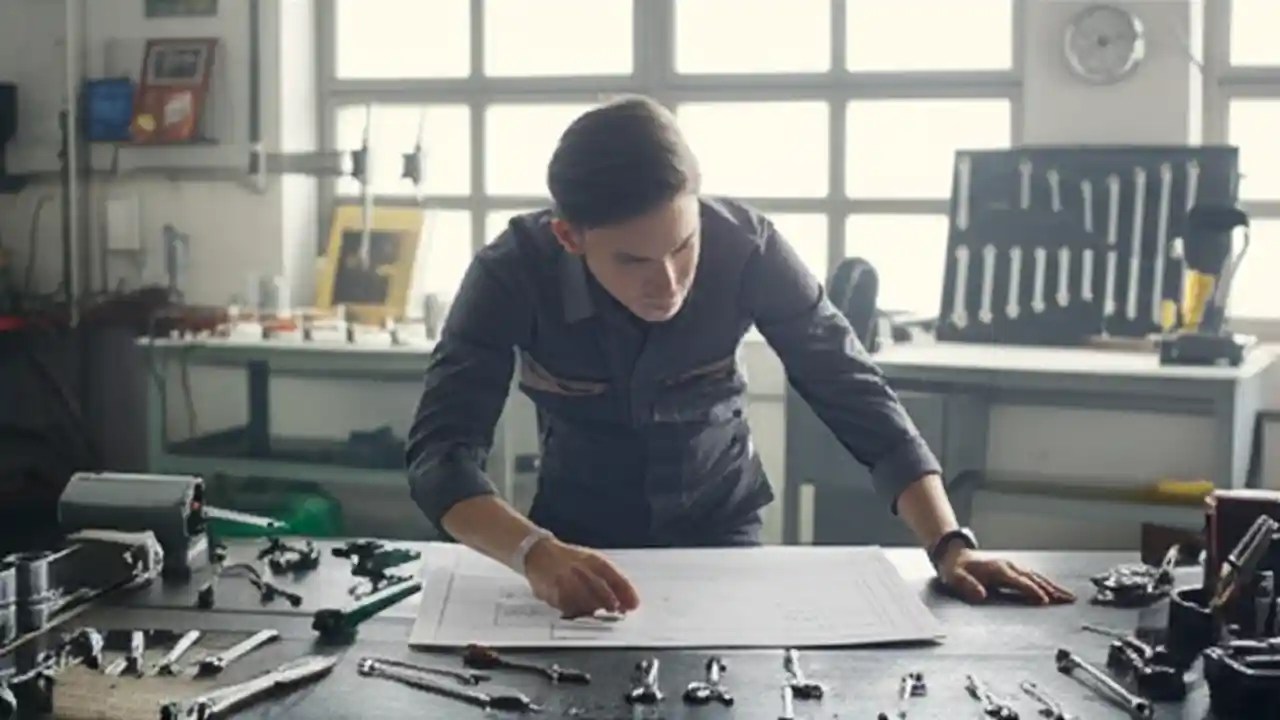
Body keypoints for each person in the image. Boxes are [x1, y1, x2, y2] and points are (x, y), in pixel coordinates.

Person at [406, 95, 1075, 618]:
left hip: (721, 528)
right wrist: (533, 552)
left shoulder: (748, 246)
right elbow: (440, 456)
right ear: (568, 236)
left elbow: (854, 390)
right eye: (633, 259)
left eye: (682, 246)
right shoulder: (510, 272)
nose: (667, 283)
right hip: (574, 537)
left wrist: (948, 543)